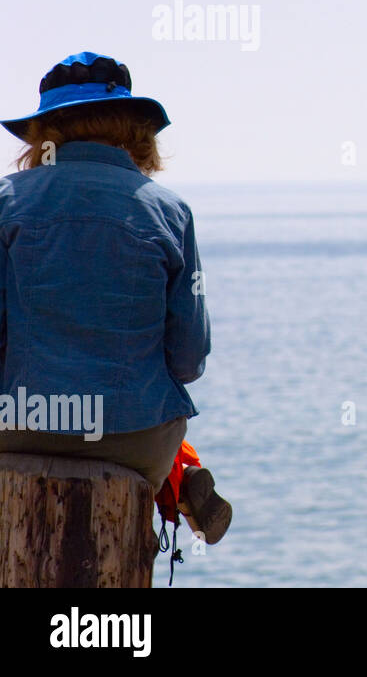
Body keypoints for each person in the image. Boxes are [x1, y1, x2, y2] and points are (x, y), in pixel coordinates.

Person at [0, 52, 231, 547]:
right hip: (133, 441)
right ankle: (180, 474)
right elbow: (189, 360)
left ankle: (180, 472)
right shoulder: (171, 212)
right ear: (137, 132)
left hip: (16, 427)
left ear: (43, 134)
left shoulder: (4, 202)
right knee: (153, 414)